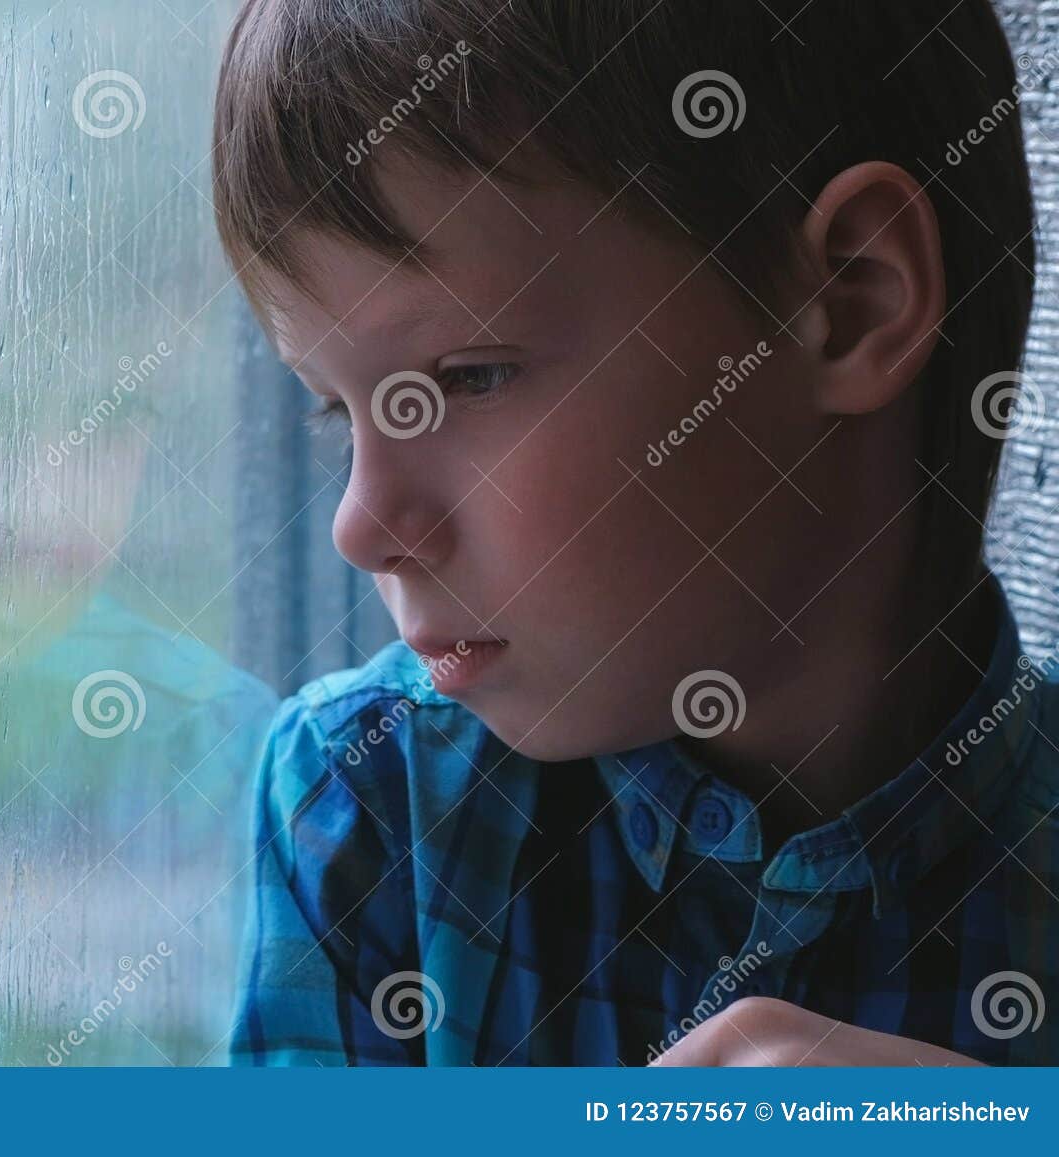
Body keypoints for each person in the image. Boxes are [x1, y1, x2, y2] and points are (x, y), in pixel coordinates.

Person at [213, 0, 1058, 1065]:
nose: (360, 525)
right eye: (339, 412)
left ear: (850, 304)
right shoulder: (366, 809)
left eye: (469, 377)